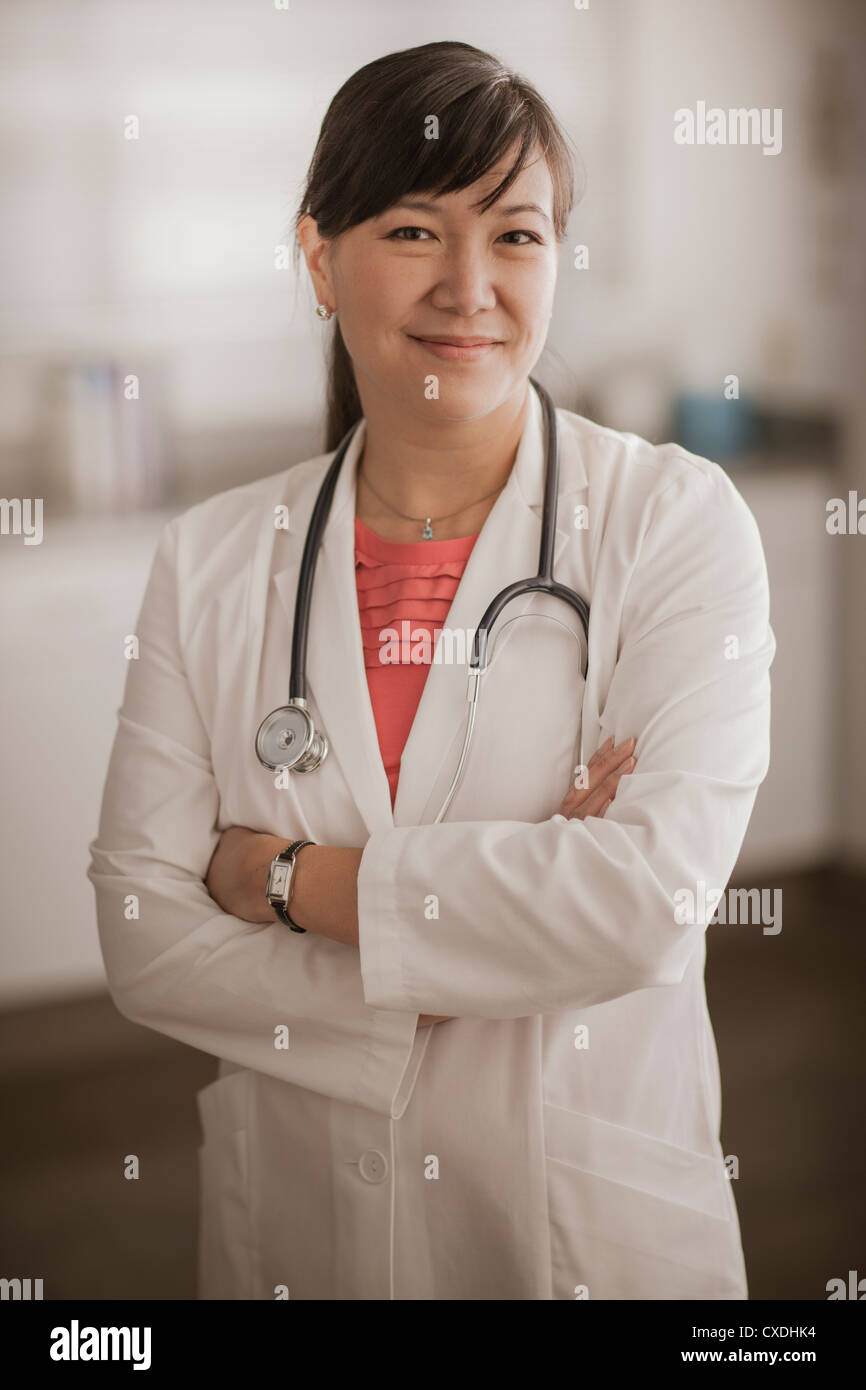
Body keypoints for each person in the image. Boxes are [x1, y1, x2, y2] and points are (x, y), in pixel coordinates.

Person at [88, 40, 775, 1300]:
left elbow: (640, 901)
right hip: (299, 1231)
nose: (469, 285)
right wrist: (492, 943)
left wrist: (284, 878)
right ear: (316, 258)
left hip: (584, 1238)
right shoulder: (214, 558)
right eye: (412, 230)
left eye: (514, 235)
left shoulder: (673, 523)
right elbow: (143, 934)